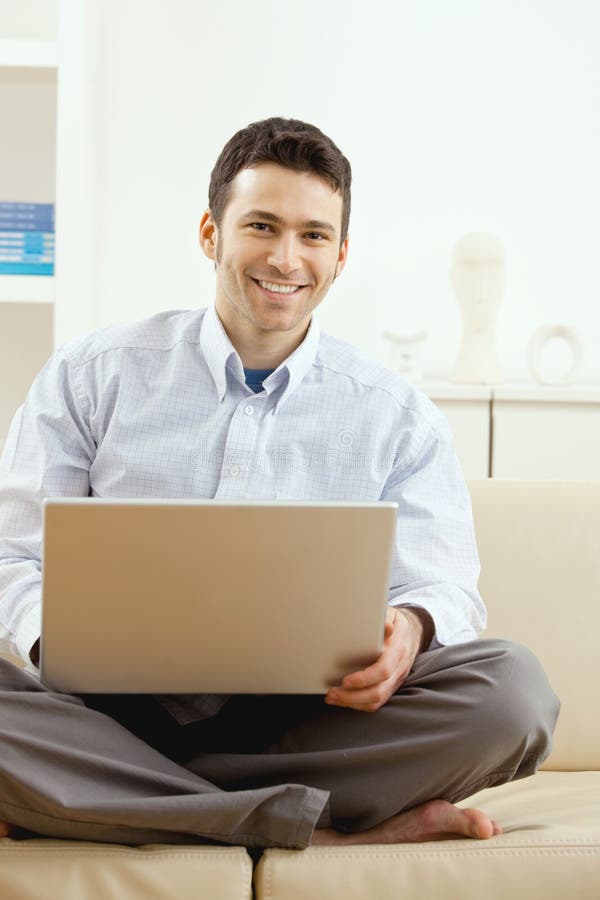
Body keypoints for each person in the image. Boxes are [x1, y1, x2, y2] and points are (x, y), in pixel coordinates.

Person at [0, 117, 559, 850]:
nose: (286, 258)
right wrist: (60, 641)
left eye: (314, 235)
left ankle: (114, 801)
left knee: (513, 694)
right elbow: (13, 555)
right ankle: (319, 830)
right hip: (101, 715)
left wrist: (411, 628)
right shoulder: (90, 374)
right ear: (211, 233)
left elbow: (445, 585)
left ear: (342, 254)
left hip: (310, 723)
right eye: (261, 225)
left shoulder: (399, 416)